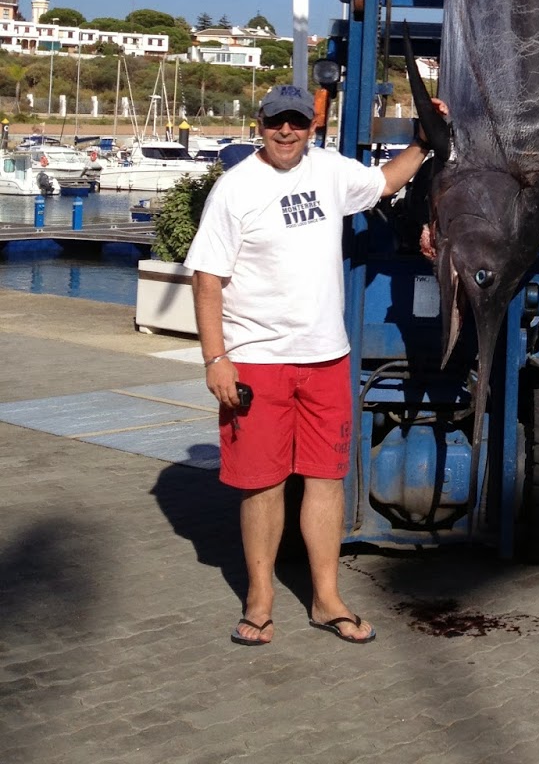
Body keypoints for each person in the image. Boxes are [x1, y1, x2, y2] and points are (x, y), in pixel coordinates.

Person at [185, 82, 441, 649]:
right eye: (276, 121)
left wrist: (424, 142)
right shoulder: (235, 188)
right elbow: (207, 279)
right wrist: (215, 359)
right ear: (260, 123)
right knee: (262, 485)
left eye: (297, 122)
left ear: (311, 126)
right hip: (257, 361)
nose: (286, 131)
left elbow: (384, 182)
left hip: (327, 358)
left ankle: (327, 599)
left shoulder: (328, 170)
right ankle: (260, 600)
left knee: (326, 481)